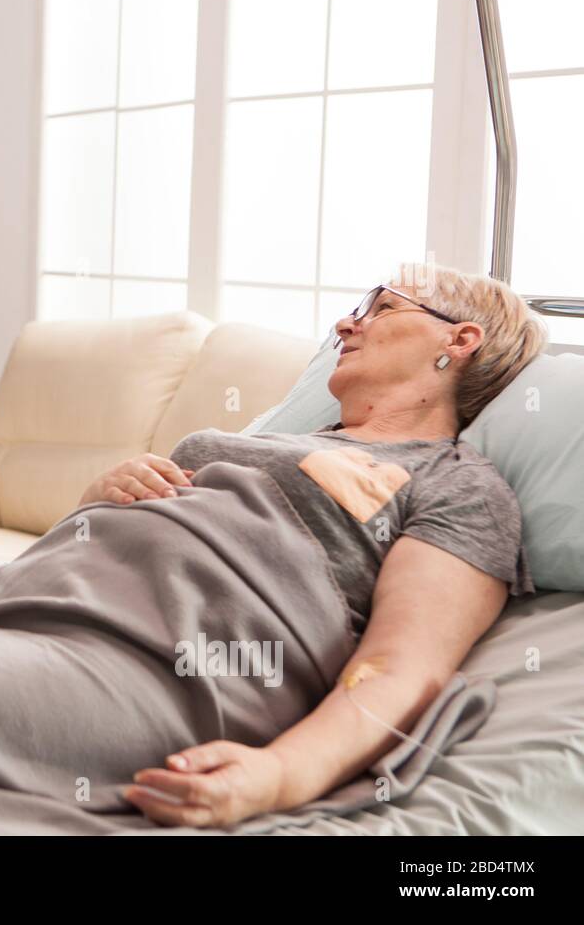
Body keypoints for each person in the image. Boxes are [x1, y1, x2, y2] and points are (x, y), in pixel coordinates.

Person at [76, 264, 547, 825]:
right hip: (45, 598)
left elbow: (399, 666)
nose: (346, 325)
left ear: (460, 338)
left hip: (142, 660)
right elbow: (85, 546)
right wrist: (97, 498)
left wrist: (277, 774)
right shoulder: (264, 439)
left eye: (383, 308)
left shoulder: (460, 485)